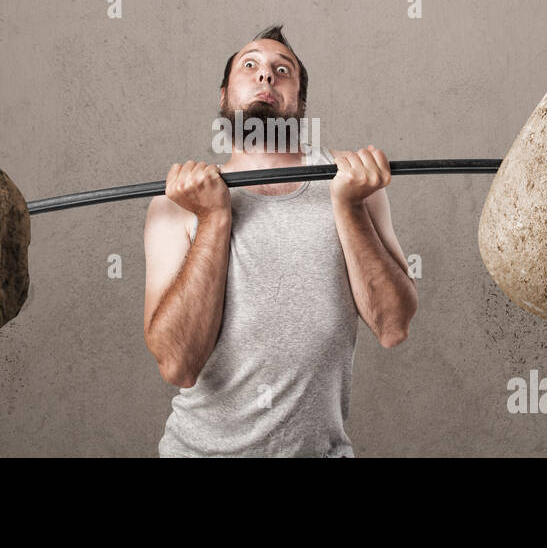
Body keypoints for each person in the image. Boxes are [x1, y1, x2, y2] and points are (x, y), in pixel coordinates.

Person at [142, 24, 417, 457]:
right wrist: (214, 218)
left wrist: (348, 207)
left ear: (300, 101)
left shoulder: (354, 184)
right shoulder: (177, 202)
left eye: (281, 70)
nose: (265, 76)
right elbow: (178, 364)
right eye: (249, 65)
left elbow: (393, 325)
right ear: (223, 95)